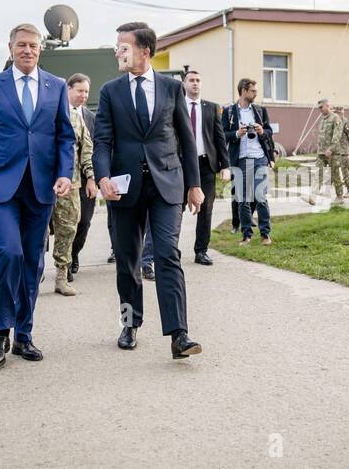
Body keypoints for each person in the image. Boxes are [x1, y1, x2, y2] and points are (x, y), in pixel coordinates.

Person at [0, 23, 75, 368]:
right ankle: (1, 331)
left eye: (34, 45)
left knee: (32, 262)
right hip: (1, 186)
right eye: (22, 45)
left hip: (41, 187)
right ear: (10, 47)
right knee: (8, 253)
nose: (28, 50)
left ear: (40, 49)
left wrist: (63, 173)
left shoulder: (56, 86)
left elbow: (64, 136)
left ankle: (24, 335)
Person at [93, 21, 203, 358]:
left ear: (145, 51)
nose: (117, 52)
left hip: (167, 184)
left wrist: (195, 185)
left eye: (123, 47)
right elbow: (102, 141)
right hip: (125, 189)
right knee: (128, 261)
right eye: (117, 47)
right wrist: (102, 177)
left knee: (168, 254)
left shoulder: (171, 89)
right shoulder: (110, 91)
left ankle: (179, 335)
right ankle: (129, 322)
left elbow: (186, 139)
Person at [48, 74, 96, 296]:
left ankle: (61, 276)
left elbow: (86, 150)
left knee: (68, 229)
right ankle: (33, 270)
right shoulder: (43, 114)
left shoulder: (77, 119)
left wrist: (91, 177)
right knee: (37, 230)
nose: (84, 96)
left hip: (71, 184)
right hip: (42, 183)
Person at [182, 68, 229, 264]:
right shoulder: (177, 106)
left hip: (206, 164)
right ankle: (168, 251)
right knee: (176, 207)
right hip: (182, 165)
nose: (195, 83)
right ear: (184, 84)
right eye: (191, 80)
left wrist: (225, 165)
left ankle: (201, 250)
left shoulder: (211, 108)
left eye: (198, 80)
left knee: (206, 209)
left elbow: (220, 138)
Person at [223, 78, 274, 243]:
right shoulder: (229, 112)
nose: (256, 93)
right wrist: (237, 133)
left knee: (260, 196)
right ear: (244, 91)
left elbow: (269, 132)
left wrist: (261, 131)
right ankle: (246, 235)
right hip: (241, 159)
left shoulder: (260, 110)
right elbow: (222, 135)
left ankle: (265, 234)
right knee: (243, 199)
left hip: (259, 157)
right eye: (253, 90)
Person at [64, 75, 99, 280]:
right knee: (57, 223)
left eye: (86, 91)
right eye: (80, 91)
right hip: (62, 178)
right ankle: (63, 263)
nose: (84, 95)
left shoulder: (91, 118)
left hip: (86, 179)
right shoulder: (56, 112)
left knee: (83, 221)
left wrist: (94, 178)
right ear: (69, 90)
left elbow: (94, 149)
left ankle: (74, 254)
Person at [314, 99, 349, 203]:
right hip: (321, 152)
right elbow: (321, 136)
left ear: (328, 106)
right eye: (319, 108)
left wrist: (331, 148)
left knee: (335, 174)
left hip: (332, 153)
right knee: (318, 173)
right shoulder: (322, 119)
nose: (320, 109)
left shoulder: (335, 118)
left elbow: (337, 135)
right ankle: (313, 196)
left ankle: (339, 196)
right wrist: (319, 149)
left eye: (321, 107)